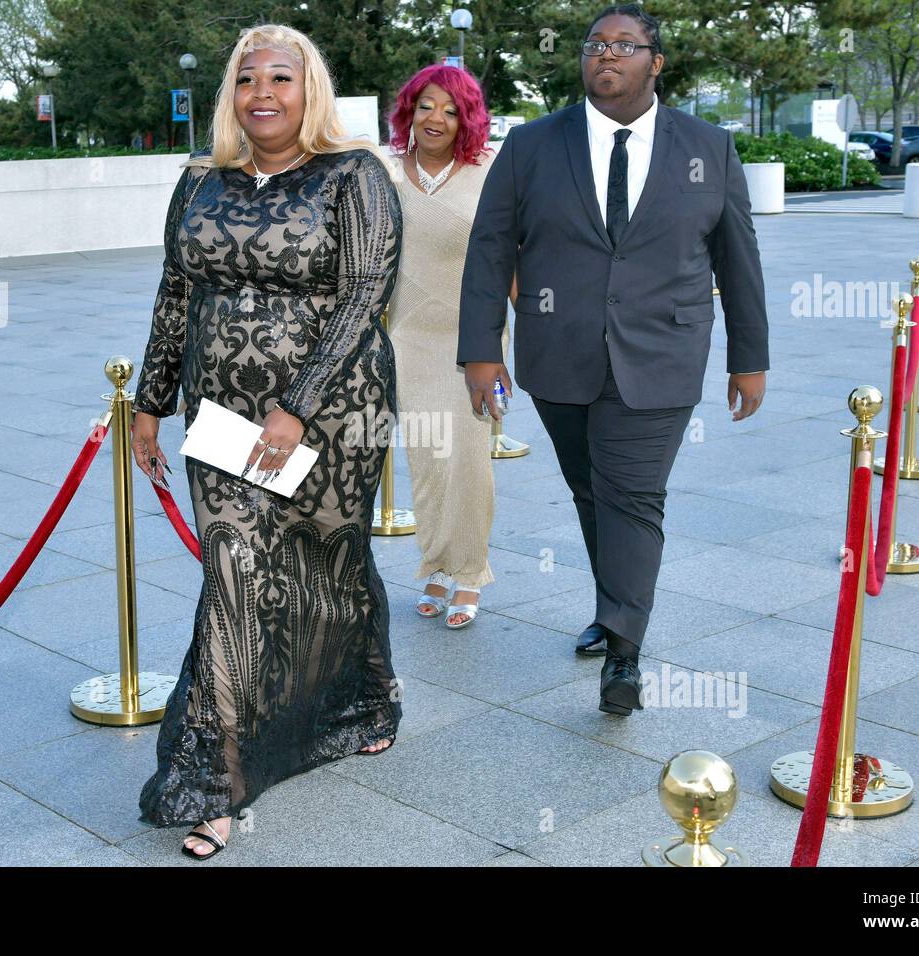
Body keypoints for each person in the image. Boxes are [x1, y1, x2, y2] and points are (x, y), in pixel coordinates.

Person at [130, 23, 404, 859]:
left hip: (332, 411)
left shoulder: (353, 175)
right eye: (248, 80)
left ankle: (362, 701)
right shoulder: (199, 183)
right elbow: (176, 291)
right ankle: (215, 783)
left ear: (308, 89)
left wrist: (297, 407)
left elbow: (364, 296)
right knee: (237, 569)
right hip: (219, 415)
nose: (262, 94)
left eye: (280, 79)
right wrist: (151, 400)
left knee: (329, 559)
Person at [457, 3, 769, 716]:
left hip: (662, 352)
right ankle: (614, 605)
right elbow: (490, 247)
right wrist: (481, 349)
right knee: (590, 490)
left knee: (632, 494)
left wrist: (749, 358)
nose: (607, 55)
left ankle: (624, 652)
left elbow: (738, 260)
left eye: (626, 46)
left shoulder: (708, 147)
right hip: (557, 355)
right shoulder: (534, 144)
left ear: (656, 62)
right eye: (596, 43)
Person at [384, 65, 515, 630]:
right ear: (409, 111)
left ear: (468, 119)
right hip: (406, 338)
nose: (437, 118)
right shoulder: (384, 174)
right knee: (427, 459)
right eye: (427, 105)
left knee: (469, 461)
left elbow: (515, 257)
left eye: (451, 109)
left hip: (473, 342)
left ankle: (470, 573)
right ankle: (434, 565)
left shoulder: (489, 172)